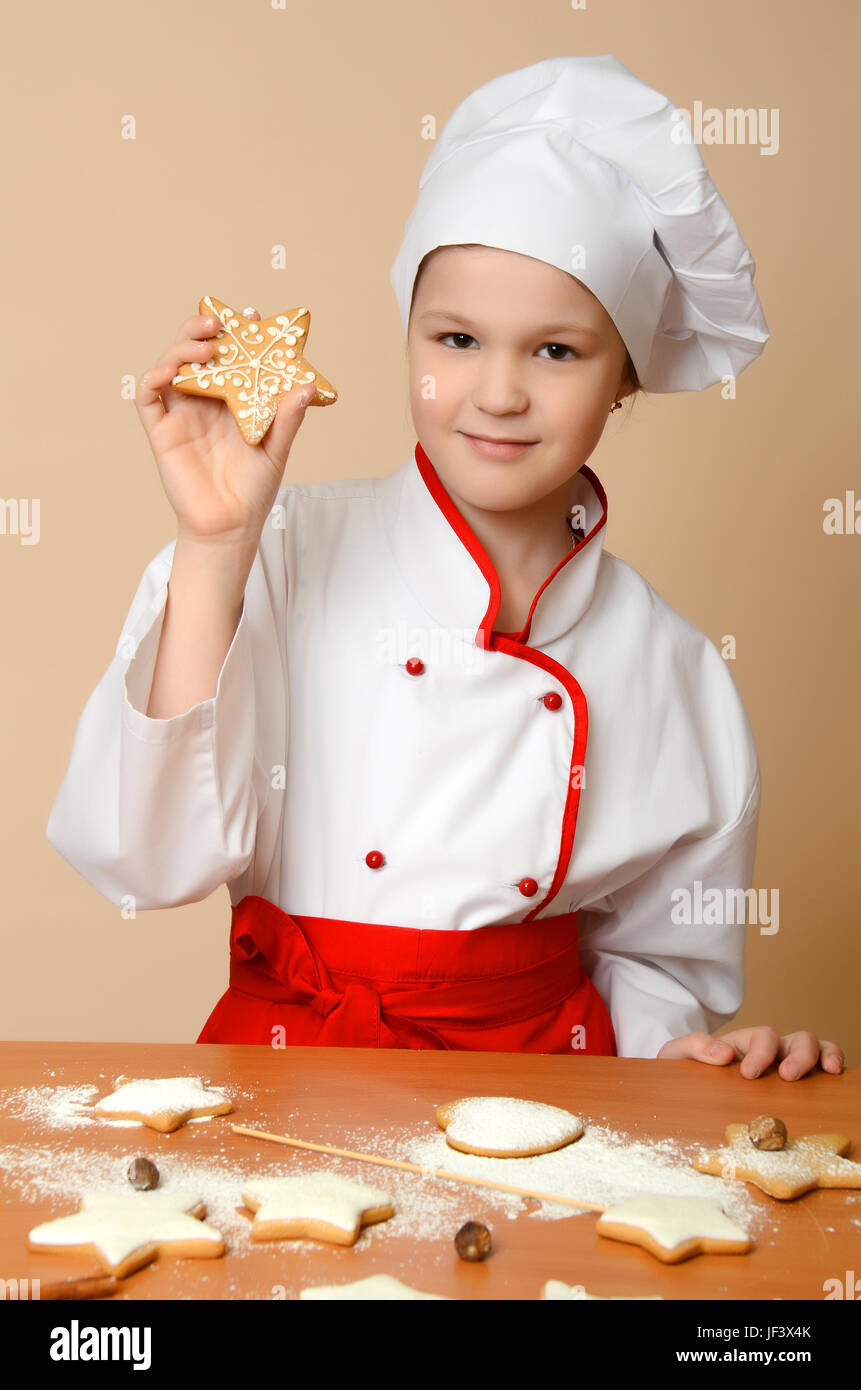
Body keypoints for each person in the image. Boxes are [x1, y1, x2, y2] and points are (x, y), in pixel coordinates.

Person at [47, 54, 842, 1079]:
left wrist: (692, 1055)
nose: (498, 392)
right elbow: (144, 864)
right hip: (289, 1077)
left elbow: (653, 965)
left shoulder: (674, 665)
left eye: (556, 351)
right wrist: (213, 547)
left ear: (624, 380)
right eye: (457, 338)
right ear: (409, 338)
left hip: (544, 1110)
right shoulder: (278, 556)